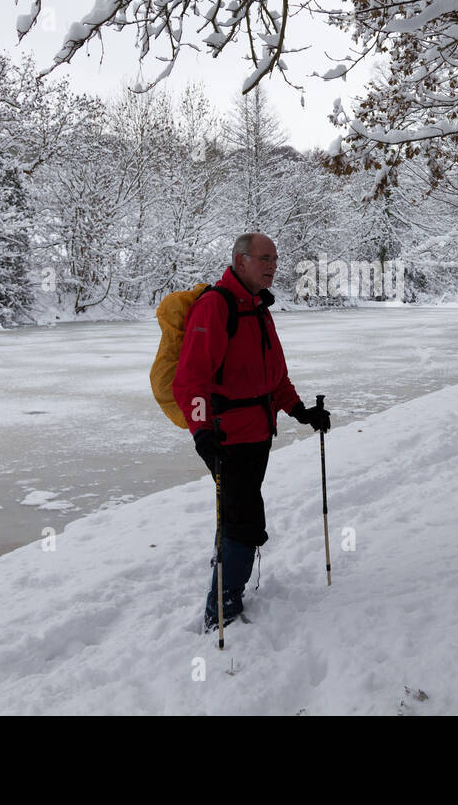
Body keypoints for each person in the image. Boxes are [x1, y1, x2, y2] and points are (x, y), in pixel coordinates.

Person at [173, 232, 330, 631]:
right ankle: (221, 612)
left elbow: (274, 376)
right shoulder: (215, 307)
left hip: (259, 433)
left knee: (235, 514)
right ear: (240, 261)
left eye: (275, 258)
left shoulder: (259, 308)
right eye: (264, 258)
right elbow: (191, 380)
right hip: (226, 437)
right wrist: (201, 432)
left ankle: (226, 585)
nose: (273, 265)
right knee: (245, 521)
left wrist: (300, 411)